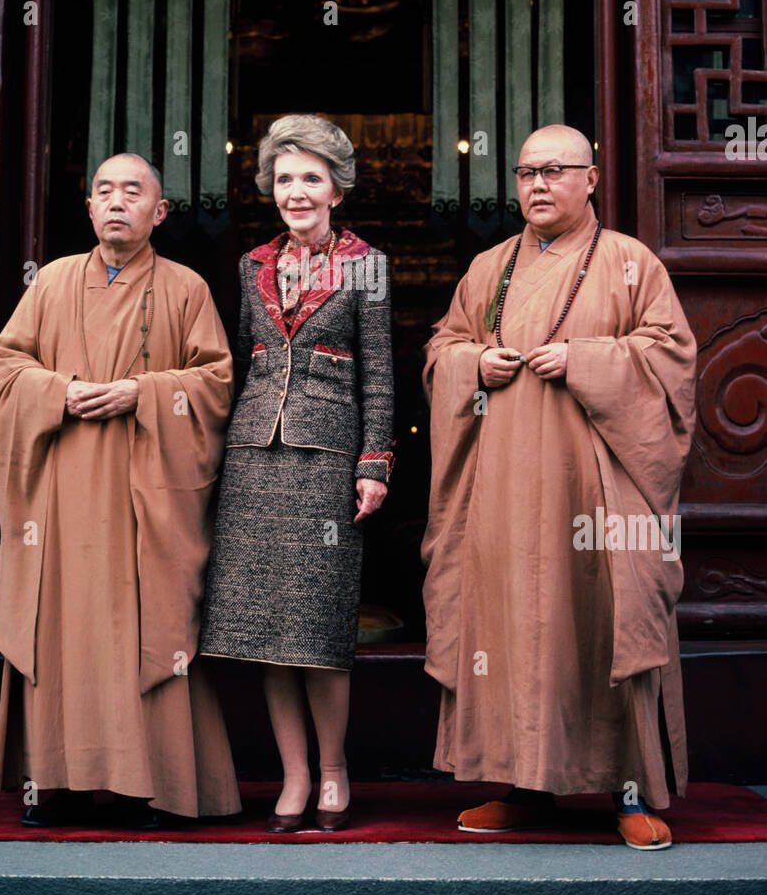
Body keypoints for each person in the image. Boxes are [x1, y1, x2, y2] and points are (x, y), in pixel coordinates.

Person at [421, 124, 697, 849]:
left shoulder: (631, 264)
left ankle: (630, 793)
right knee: (513, 632)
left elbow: (670, 361)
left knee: (609, 621)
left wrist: (584, 358)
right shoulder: (490, 267)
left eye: (554, 170)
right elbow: (442, 348)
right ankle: (525, 787)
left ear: (593, 178)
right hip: (506, 491)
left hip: (599, 490)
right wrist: (474, 365)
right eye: (525, 173)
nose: (538, 185)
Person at [0, 154, 240, 827]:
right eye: (103, 191)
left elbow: (216, 384)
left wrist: (145, 392)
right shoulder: (51, 283)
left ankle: (146, 785)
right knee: (61, 625)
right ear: (89, 208)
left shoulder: (186, 288)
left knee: (146, 625)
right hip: (61, 495)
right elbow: (5, 370)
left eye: (133, 191)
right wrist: (60, 393)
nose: (116, 202)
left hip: (145, 497)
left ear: (159, 212)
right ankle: (57, 782)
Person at [199, 114, 394, 832]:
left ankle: (335, 773)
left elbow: (379, 373)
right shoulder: (251, 265)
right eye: (284, 179)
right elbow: (239, 361)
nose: (296, 191)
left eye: (311, 177)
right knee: (264, 632)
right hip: (252, 457)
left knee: (318, 627)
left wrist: (374, 464)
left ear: (337, 188)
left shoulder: (366, 264)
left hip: (325, 463)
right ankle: (294, 776)